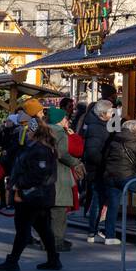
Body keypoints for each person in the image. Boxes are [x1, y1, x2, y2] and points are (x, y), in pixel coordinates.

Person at [0, 119, 61, 271]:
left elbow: (39, 174)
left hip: (32, 195)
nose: (27, 133)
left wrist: (19, 184)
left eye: (29, 131)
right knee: (43, 228)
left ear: (35, 132)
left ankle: (12, 261)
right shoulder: (34, 147)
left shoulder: (40, 150)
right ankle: (53, 259)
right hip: (37, 195)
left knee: (23, 229)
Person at [45, 107, 83, 253]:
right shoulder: (60, 132)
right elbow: (62, 154)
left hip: (46, 175)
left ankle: (46, 241)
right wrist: (76, 163)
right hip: (59, 175)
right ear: (61, 120)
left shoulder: (44, 130)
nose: (68, 120)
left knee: (48, 212)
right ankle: (57, 242)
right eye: (66, 118)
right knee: (59, 212)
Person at [100, 120, 136, 244]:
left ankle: (109, 236)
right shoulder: (135, 142)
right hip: (127, 177)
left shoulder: (113, 140)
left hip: (110, 176)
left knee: (113, 206)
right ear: (134, 130)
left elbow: (105, 157)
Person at [79, 99, 115, 241]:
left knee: (98, 199)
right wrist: (105, 163)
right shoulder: (96, 128)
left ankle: (93, 230)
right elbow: (93, 152)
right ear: (103, 113)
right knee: (97, 199)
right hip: (97, 169)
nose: (113, 113)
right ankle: (92, 230)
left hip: (98, 168)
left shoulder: (99, 124)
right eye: (111, 111)